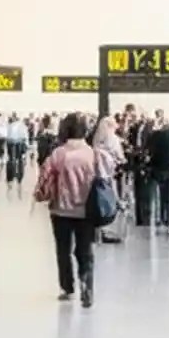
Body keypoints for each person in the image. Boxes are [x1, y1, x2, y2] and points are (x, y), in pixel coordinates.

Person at [35, 113, 111, 308]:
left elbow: (43, 180)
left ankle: (67, 287)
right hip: (87, 210)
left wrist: (40, 195)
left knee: (63, 249)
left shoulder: (58, 154)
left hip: (61, 210)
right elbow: (107, 176)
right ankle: (87, 284)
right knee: (86, 250)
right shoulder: (95, 154)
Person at [5, 112, 30, 188]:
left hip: (12, 144)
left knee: (12, 160)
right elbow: (25, 136)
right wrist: (26, 145)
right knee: (20, 160)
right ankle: (19, 177)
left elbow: (7, 136)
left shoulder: (10, 125)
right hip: (19, 143)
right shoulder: (22, 126)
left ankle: (11, 177)